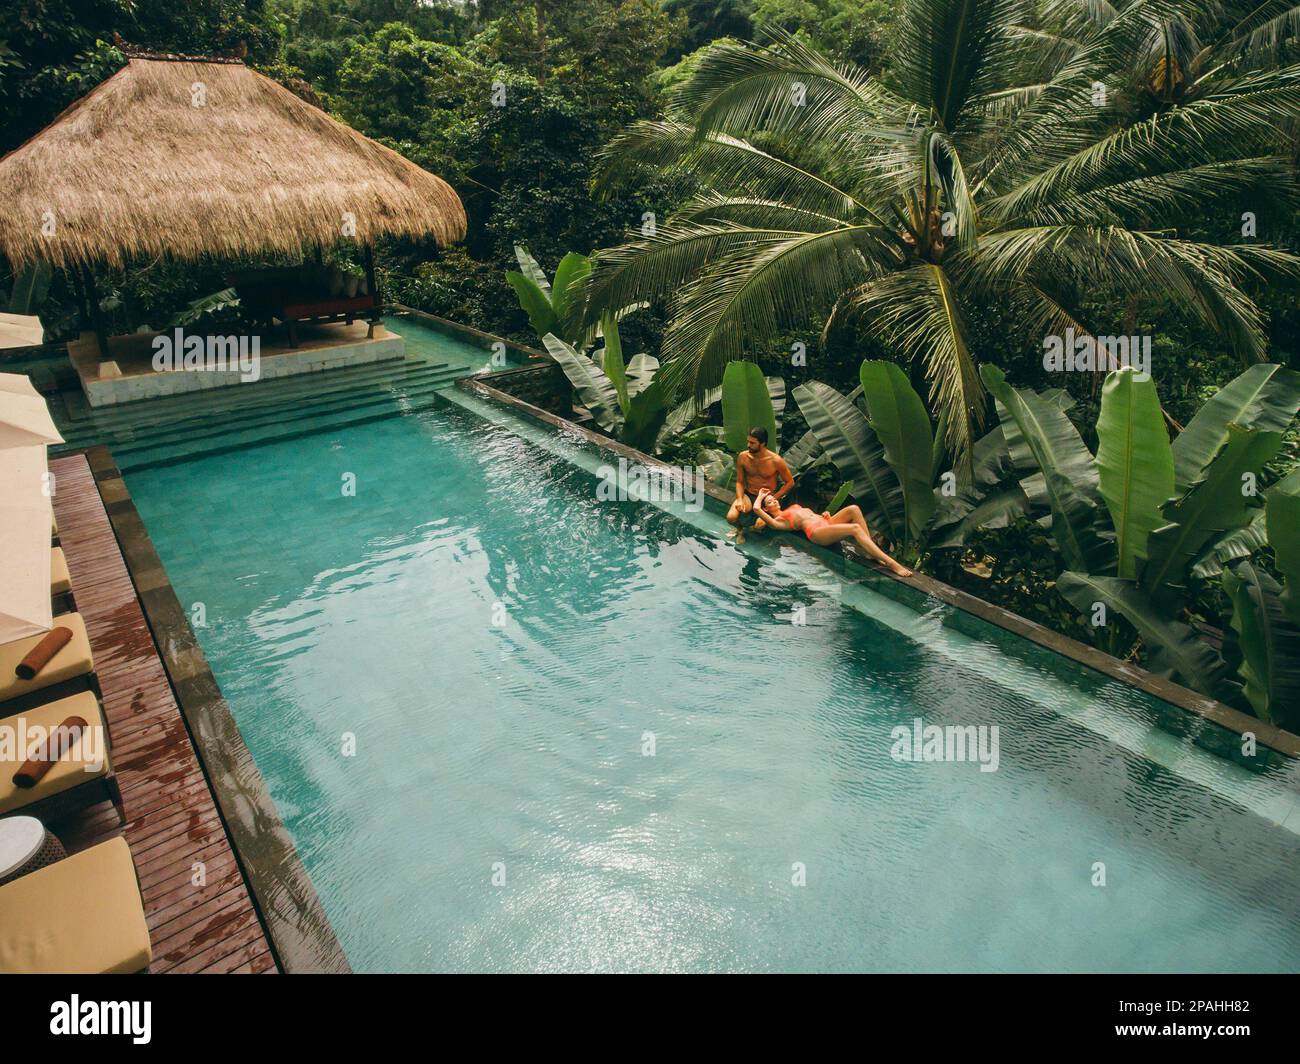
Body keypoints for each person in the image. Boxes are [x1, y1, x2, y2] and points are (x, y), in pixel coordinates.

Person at [752, 488, 913, 577]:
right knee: (854, 529)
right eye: (769, 502)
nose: (774, 501)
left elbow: (811, 515)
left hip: (825, 522)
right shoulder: (778, 521)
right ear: (767, 508)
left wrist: (825, 515)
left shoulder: (791, 508)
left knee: (853, 509)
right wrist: (760, 496)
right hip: (817, 532)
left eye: (774, 498)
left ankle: (869, 552)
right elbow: (756, 508)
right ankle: (892, 564)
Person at [727, 427, 794, 536]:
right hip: (749, 495)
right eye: (748, 441)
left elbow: (790, 482)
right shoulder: (743, 457)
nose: (748, 445)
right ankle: (740, 530)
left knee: (759, 525)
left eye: (752, 443)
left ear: (762, 443)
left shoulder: (775, 461)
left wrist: (775, 498)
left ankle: (748, 531)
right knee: (731, 517)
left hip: (767, 498)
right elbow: (739, 481)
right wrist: (739, 499)